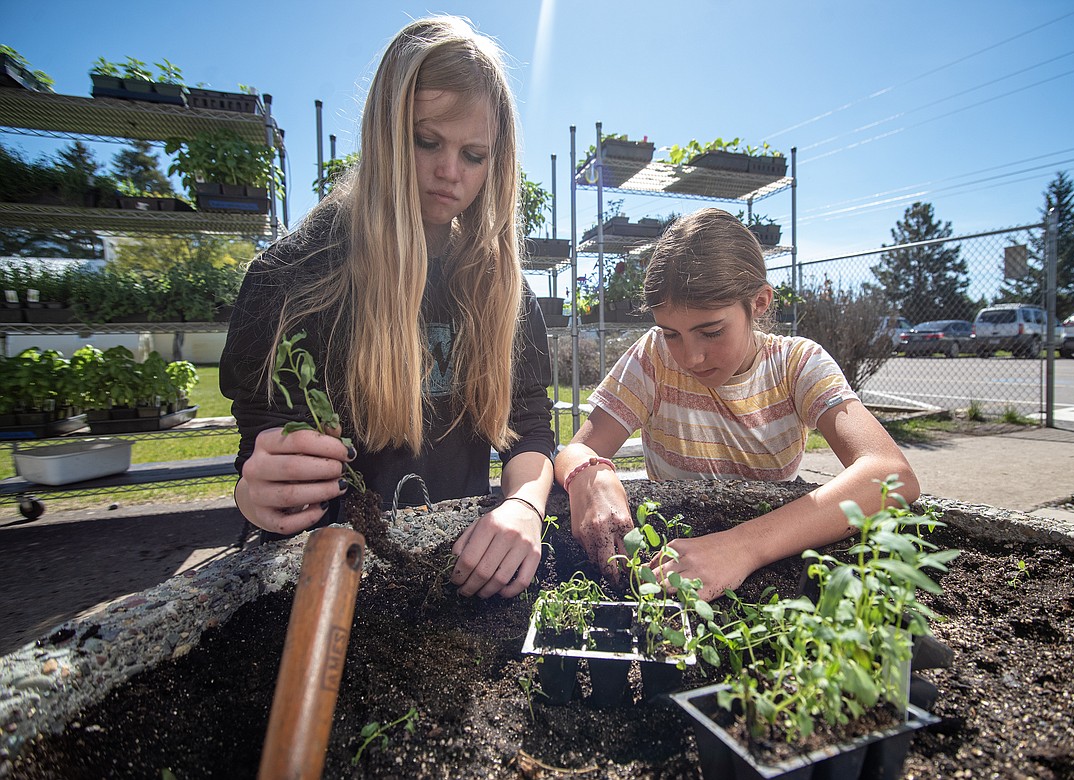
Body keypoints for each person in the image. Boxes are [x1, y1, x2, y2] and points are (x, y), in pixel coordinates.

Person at [221, 16, 555, 600]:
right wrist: (257, 491)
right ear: (385, 132)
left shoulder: (499, 288)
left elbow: (529, 428)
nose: (449, 172)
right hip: (321, 584)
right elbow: (259, 443)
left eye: (474, 154)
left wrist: (525, 504)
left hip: (456, 577)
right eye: (427, 142)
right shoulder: (291, 277)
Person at [553, 208, 920, 601]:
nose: (690, 357)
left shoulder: (797, 365)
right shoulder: (654, 359)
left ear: (759, 302)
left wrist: (741, 547)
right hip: (671, 555)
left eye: (710, 331)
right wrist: (591, 476)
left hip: (779, 552)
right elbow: (577, 448)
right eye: (672, 333)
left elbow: (891, 474)